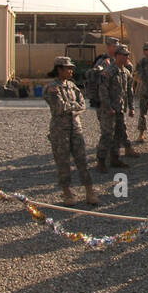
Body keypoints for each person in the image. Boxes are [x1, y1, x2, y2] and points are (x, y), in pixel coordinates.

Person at [46, 56, 98, 205]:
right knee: (63, 162)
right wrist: (72, 106)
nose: (71, 71)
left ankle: (89, 191)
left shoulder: (72, 86)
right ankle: (67, 193)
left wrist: (71, 106)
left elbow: (82, 104)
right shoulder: (51, 88)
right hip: (60, 130)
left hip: (76, 128)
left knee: (82, 161)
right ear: (59, 69)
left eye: (71, 68)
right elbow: (59, 107)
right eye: (68, 68)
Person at [96, 44, 133, 170]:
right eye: (124, 55)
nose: (126, 57)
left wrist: (131, 107)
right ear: (117, 56)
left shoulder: (126, 72)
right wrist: (108, 107)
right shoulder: (108, 72)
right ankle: (101, 160)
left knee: (118, 134)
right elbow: (103, 91)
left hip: (120, 109)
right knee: (107, 135)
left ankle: (115, 158)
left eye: (127, 55)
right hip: (109, 110)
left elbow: (129, 91)